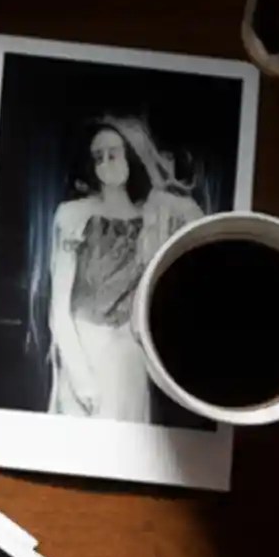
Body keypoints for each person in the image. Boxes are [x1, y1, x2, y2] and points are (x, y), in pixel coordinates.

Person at [47, 117, 203, 422]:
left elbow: (196, 222)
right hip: (86, 345)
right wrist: (81, 377)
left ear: (131, 156)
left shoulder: (152, 218)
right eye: (98, 157)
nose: (106, 163)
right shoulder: (75, 216)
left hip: (129, 357)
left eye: (113, 154)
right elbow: (59, 307)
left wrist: (160, 191)